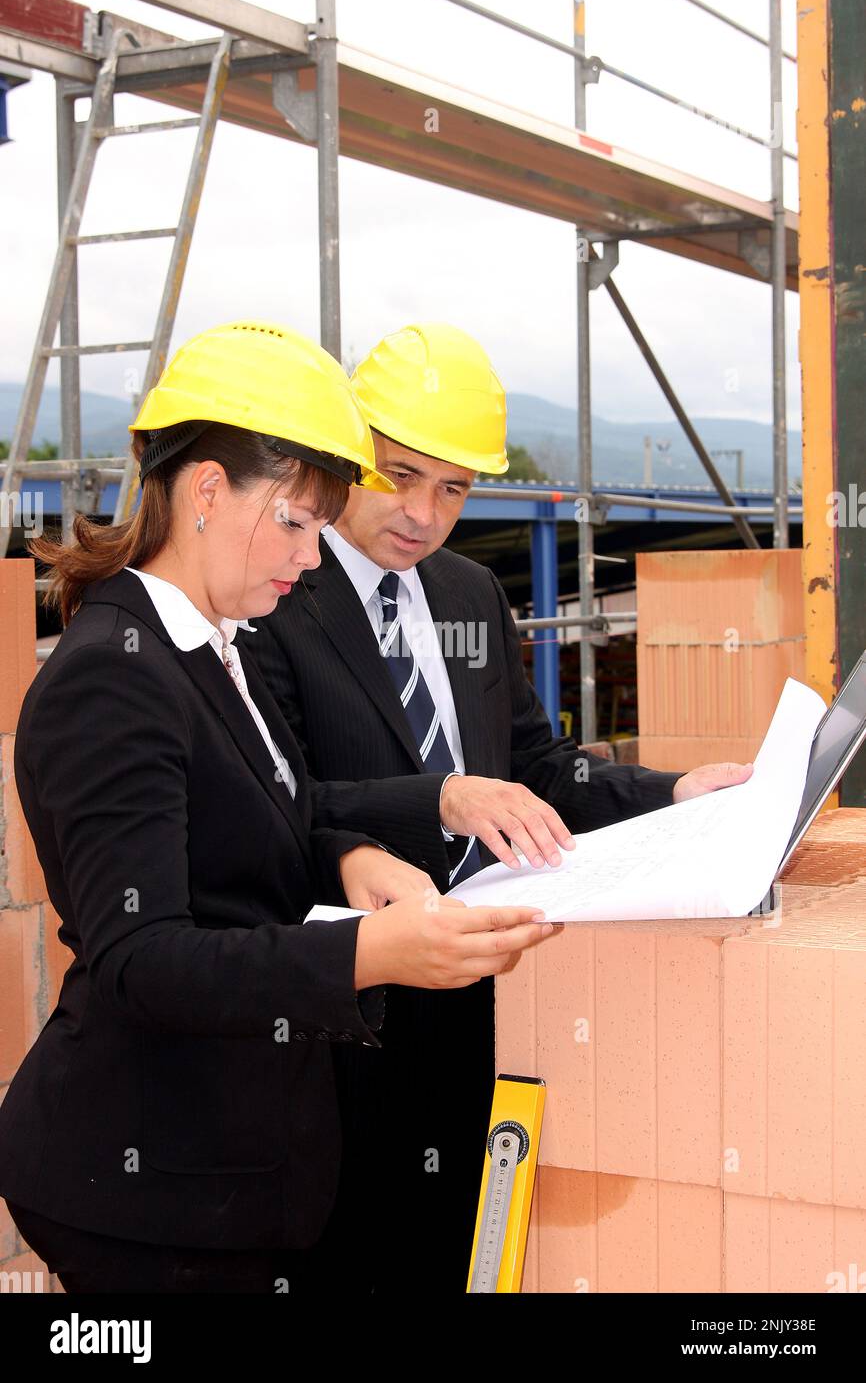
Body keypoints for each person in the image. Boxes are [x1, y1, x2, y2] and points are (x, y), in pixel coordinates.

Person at [0, 319, 558, 1294]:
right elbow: (142, 958)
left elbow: (263, 827)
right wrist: (370, 954)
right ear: (208, 490)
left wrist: (345, 856)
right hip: (146, 1184)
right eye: (296, 522)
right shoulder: (114, 678)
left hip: (232, 1166)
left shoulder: (212, 650)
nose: (308, 559)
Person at [243, 321, 754, 1291]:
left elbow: (539, 769)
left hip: (489, 1009)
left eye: (453, 487)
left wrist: (672, 790)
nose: (421, 511)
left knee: (464, 1252)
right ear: (349, 457)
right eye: (398, 474)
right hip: (351, 1028)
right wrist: (438, 796)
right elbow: (283, 800)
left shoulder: (469, 593)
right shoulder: (275, 601)